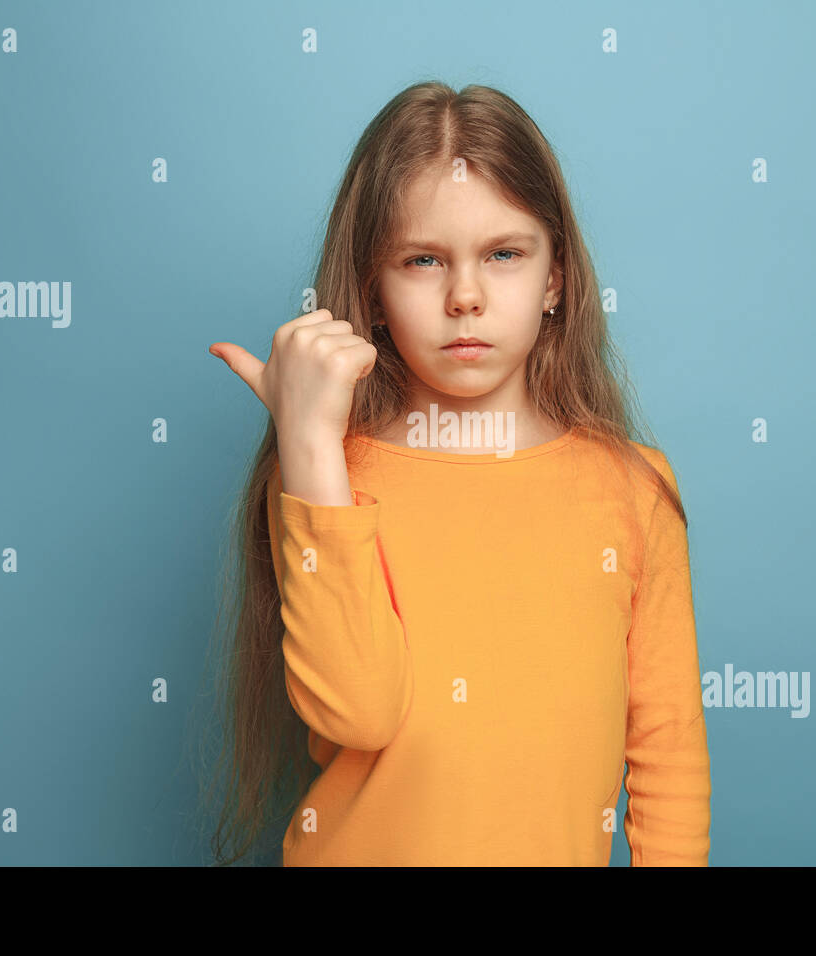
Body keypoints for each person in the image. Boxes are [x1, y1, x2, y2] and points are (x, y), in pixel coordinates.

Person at [203, 81, 709, 866]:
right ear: (372, 288)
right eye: (422, 260)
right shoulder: (321, 477)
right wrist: (304, 439)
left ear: (556, 279)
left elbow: (668, 760)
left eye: (504, 254)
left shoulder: (634, 490)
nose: (464, 297)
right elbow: (356, 712)